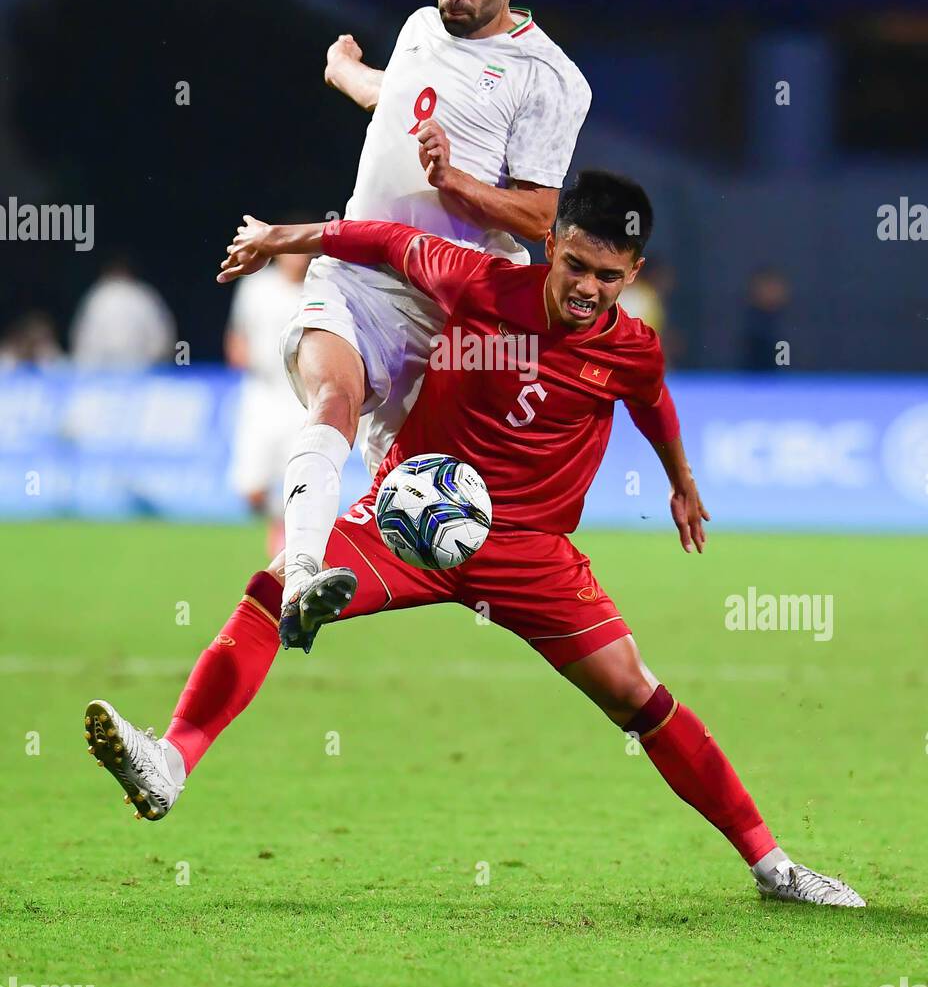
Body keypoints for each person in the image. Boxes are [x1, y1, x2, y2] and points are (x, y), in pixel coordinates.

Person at [85, 170, 864, 908]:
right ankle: (172, 762)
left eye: (610, 276)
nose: (589, 289)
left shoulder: (632, 347)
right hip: (415, 518)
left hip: (532, 553)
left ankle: (774, 866)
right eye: (578, 266)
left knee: (638, 696)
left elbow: (651, 400)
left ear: (634, 272)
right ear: (553, 243)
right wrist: (282, 238)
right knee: (276, 584)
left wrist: (681, 480)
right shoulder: (481, 284)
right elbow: (385, 241)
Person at [276, 0, 591, 647]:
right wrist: (343, 70)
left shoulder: (549, 79)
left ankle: (559, 624)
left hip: (452, 313)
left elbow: (541, 217)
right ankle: (299, 579)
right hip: (357, 277)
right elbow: (400, 102)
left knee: (417, 504)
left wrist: (454, 183)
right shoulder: (422, 27)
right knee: (332, 401)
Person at [224, 252, 314, 555]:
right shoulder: (256, 287)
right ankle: (280, 520)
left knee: (298, 483)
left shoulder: (317, 288)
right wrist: (242, 357)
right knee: (250, 489)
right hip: (261, 397)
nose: (297, 260)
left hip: (302, 400)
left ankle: (296, 544)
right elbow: (237, 335)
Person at [70, 255, 175, 369]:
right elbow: (162, 340)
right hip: (132, 371)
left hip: (120, 372)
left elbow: (81, 341)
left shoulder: (97, 295)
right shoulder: (99, 296)